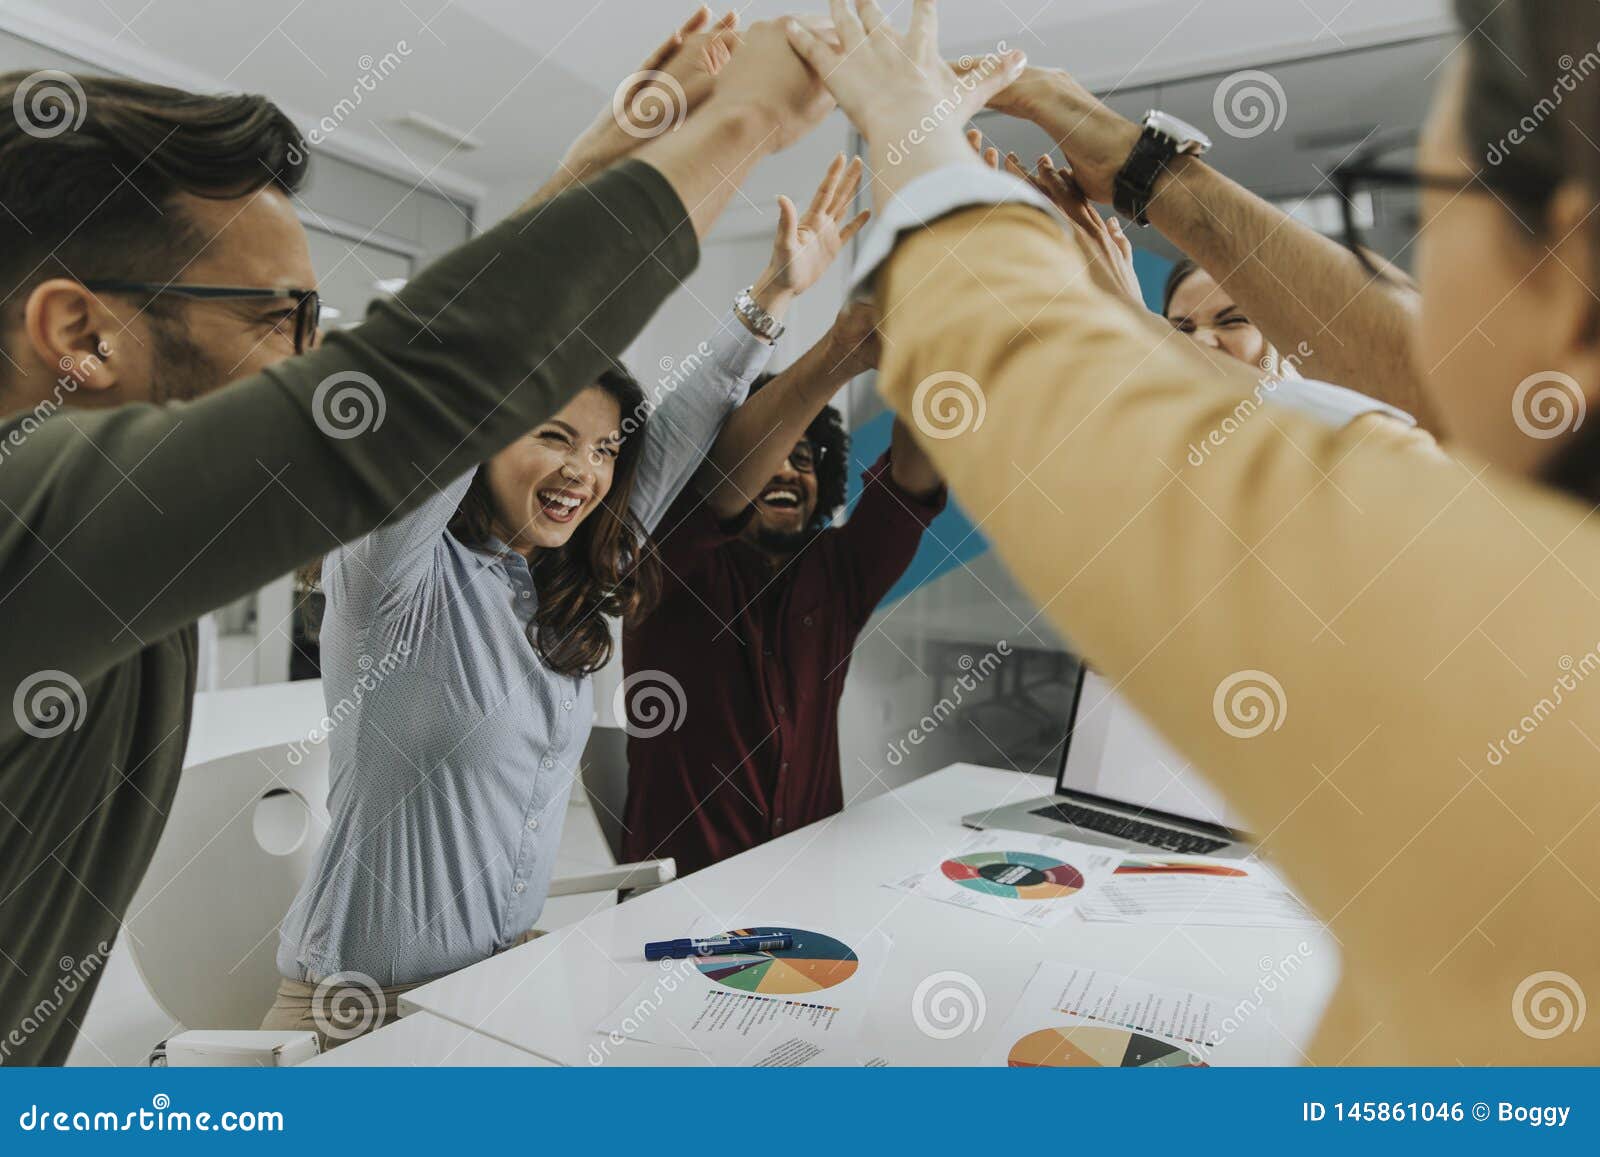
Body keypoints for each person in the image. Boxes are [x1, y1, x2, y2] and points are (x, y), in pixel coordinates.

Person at [0, 9, 829, 1065]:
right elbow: (406, 397)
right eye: (280, 318)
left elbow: (441, 398)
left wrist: (615, 177)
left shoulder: (119, 585)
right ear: (82, 335)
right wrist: (744, 119)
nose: (309, 362)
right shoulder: (34, 522)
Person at [787, 0, 1600, 1064]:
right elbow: (1408, 373)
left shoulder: (1502, 629)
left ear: (1566, 278)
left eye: (1423, 208)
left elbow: (1034, 375)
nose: (1404, 274)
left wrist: (905, 116)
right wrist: (1134, 161)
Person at [265, 152, 858, 1048]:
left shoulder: (566, 586)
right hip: (362, 1016)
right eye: (550, 436)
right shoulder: (394, 578)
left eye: (602, 449)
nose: (582, 471)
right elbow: (447, 395)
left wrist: (774, 292)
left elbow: (692, 411)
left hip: (496, 990)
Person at [620, 262, 945, 873]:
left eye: (805, 459)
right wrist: (841, 356)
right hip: (678, 903)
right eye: (771, 457)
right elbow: (715, 491)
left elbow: (911, 483)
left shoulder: (840, 572)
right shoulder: (667, 562)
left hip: (809, 887)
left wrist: (933, 353)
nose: (789, 471)